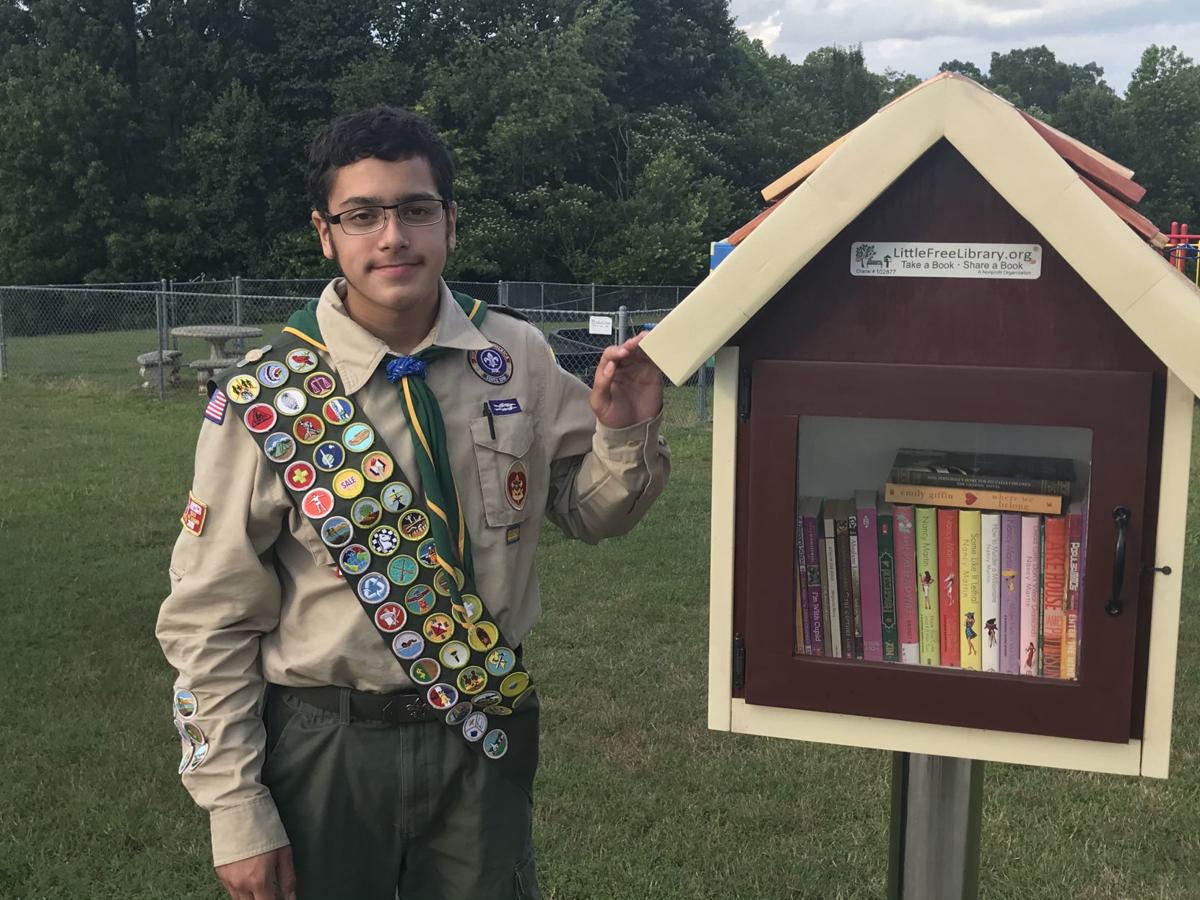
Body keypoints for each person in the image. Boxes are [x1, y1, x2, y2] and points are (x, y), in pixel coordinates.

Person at [157, 105, 670, 900]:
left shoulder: (517, 357)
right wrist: (235, 807)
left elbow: (591, 511)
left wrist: (624, 432)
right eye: (362, 214)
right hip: (326, 746)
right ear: (325, 233)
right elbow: (208, 617)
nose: (393, 236)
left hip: (481, 730)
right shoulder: (272, 395)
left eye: (416, 210)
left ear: (450, 222)